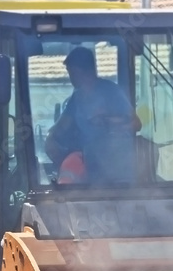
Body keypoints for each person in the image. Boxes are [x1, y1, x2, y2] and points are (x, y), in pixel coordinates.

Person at [44, 46, 141, 185]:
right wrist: (51, 137)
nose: (70, 77)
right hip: (87, 160)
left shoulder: (111, 92)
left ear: (83, 71)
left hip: (114, 163)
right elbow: (62, 125)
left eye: (71, 72)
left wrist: (108, 123)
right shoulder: (77, 98)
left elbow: (136, 124)